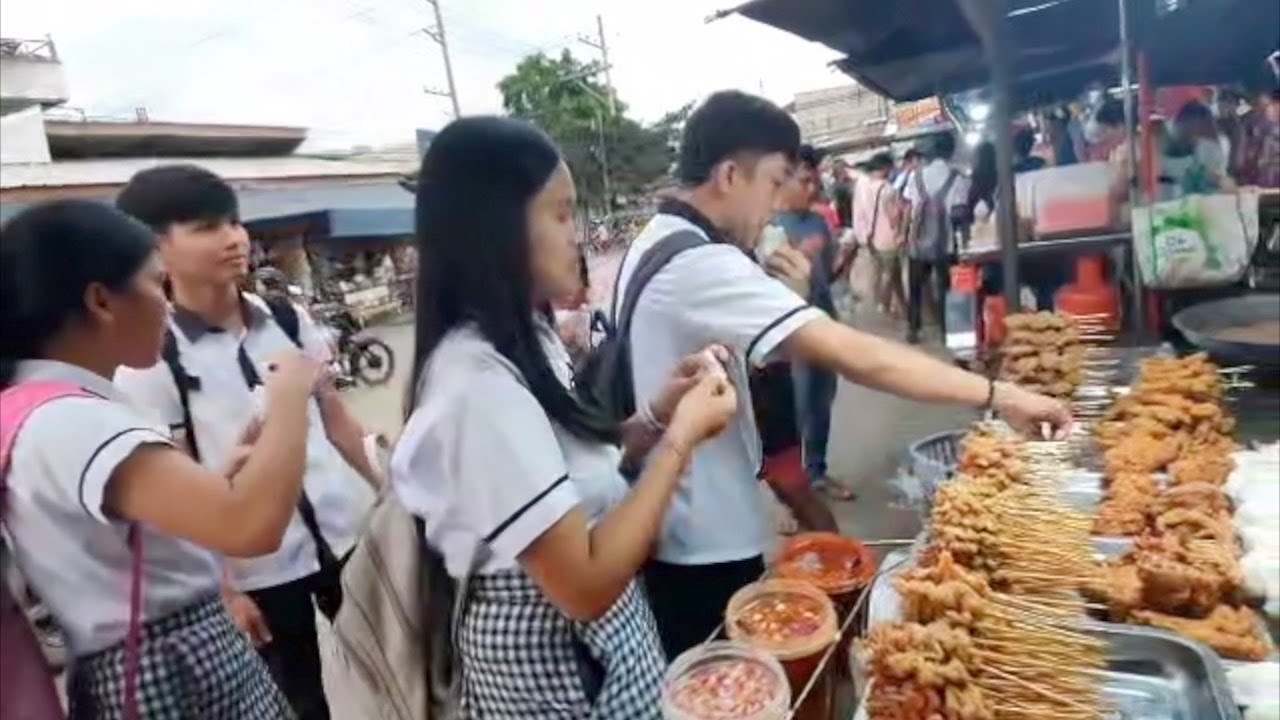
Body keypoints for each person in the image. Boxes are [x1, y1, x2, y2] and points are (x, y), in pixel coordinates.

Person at [617, 90, 1071, 659]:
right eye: (773, 182)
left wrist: (785, 299)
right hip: (702, 537)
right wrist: (1000, 394)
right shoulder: (701, 262)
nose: (774, 205)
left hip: (679, 522)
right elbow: (860, 356)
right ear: (730, 175)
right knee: (720, 671)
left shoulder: (657, 240)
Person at [390, 116, 738, 716]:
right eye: (560, 214)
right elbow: (582, 585)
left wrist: (658, 414)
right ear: (496, 230)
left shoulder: (527, 338)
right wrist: (681, 440)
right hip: (559, 679)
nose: (577, 236)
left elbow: (571, 476)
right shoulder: (476, 387)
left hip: (600, 663)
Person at [1, 199, 314, 718]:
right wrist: (290, 396)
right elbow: (249, 524)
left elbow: (116, 539)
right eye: (156, 284)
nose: (167, 306)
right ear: (102, 300)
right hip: (174, 668)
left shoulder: (34, 407)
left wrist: (215, 479)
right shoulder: (73, 421)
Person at [112, 165, 378, 720]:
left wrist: (391, 490)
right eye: (208, 227)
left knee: (394, 672)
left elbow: (336, 420)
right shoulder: (154, 357)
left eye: (234, 222)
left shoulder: (287, 318)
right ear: (157, 248)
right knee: (298, 701)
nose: (234, 238)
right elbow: (179, 491)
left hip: (345, 537)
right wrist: (225, 591)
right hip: (259, 569)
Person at [766, 145, 852, 501]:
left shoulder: (818, 222)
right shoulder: (766, 227)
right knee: (794, 412)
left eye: (815, 181)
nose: (813, 189)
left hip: (823, 324)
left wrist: (845, 257)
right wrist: (799, 256)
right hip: (789, 337)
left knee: (820, 403)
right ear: (784, 180)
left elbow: (826, 278)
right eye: (804, 181)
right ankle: (792, 494)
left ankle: (816, 473)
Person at [902, 131, 971, 344]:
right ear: (951, 151)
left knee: (915, 288)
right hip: (947, 244)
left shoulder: (915, 177)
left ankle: (914, 328)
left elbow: (909, 209)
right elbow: (960, 213)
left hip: (918, 242)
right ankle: (946, 330)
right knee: (946, 289)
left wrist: (905, 237)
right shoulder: (959, 178)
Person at [854, 152, 907, 317]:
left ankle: (902, 307)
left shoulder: (864, 186)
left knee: (890, 273)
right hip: (889, 238)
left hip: (873, 237)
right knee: (889, 274)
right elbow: (894, 216)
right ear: (885, 168)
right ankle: (883, 305)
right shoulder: (887, 189)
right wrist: (901, 226)